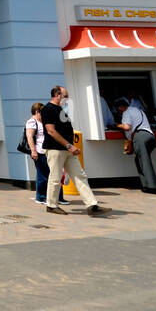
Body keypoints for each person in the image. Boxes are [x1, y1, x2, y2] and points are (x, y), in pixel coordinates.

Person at [41, 85, 110, 216]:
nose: (67, 99)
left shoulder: (61, 109)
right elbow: (51, 131)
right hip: (56, 149)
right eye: (65, 96)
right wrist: (68, 145)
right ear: (57, 95)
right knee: (55, 178)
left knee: (80, 176)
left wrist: (70, 146)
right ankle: (51, 205)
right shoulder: (48, 109)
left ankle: (92, 205)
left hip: (68, 150)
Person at [114, 96, 156, 194]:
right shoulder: (138, 110)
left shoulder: (126, 112)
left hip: (140, 137)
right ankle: (146, 185)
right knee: (139, 160)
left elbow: (127, 127)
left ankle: (152, 187)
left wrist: (117, 125)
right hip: (150, 136)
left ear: (121, 107)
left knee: (144, 161)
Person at [25, 103, 51, 205]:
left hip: (46, 151)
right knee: (43, 175)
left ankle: (42, 196)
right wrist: (33, 151)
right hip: (39, 151)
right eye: (42, 112)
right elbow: (29, 137)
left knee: (44, 174)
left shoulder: (42, 122)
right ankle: (41, 197)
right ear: (36, 112)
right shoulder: (32, 122)